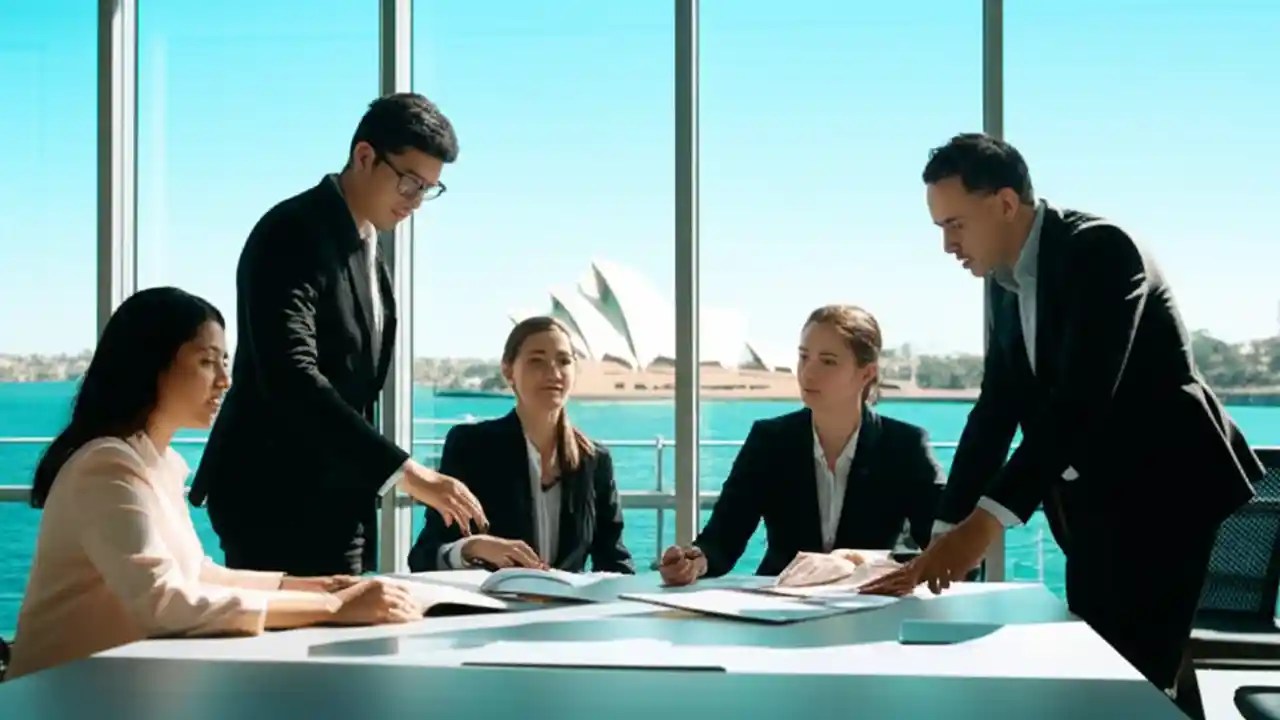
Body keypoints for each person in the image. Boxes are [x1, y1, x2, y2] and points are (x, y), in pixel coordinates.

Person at [862, 133, 1261, 705]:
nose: (948, 245)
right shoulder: (1003, 282)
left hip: (1168, 491)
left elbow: (1080, 401)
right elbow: (995, 410)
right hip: (1093, 502)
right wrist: (945, 532)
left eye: (955, 224)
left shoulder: (1102, 250)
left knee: (1135, 678)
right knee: (1099, 662)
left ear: (1003, 203)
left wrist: (983, 528)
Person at [7, 288, 424, 681]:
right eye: (208, 362)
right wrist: (331, 607)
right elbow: (164, 602)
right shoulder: (106, 466)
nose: (224, 380)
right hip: (57, 694)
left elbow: (195, 574)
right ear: (152, 363)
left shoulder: (158, 462)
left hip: (119, 684)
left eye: (225, 362)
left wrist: (310, 585)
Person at [190, 93, 487, 576]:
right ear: (365, 156)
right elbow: (290, 374)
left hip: (338, 495)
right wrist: (408, 473)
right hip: (273, 496)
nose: (416, 202)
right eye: (410, 182)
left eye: (429, 189)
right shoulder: (291, 232)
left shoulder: (369, 245)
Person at [659, 305, 946, 587]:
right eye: (803, 357)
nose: (808, 373)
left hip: (869, 606)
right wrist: (694, 562)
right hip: (781, 606)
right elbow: (723, 538)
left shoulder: (905, 446)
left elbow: (944, 547)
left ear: (866, 373)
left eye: (828, 361)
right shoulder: (770, 440)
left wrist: (881, 566)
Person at [407, 317, 635, 574]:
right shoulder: (472, 447)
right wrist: (472, 548)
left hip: (568, 611)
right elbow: (423, 558)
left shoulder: (594, 460)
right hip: (491, 610)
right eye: (537, 360)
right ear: (508, 370)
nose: (554, 373)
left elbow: (615, 562)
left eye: (564, 361)